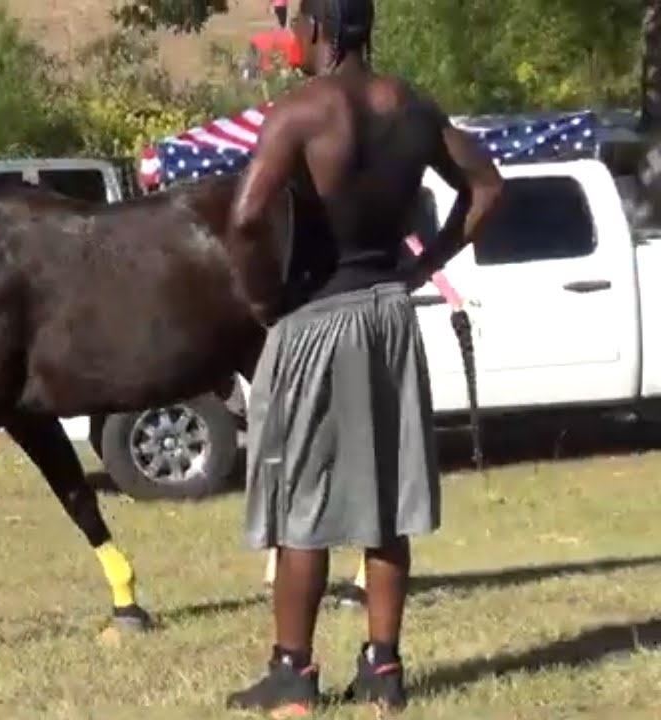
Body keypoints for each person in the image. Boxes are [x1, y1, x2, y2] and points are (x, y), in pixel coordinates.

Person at [223, 0, 502, 714]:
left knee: (301, 505)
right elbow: (488, 187)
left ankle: (292, 675)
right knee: (386, 497)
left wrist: (263, 304)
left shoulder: (301, 112)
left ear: (316, 28)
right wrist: (425, 264)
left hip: (317, 320)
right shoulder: (412, 107)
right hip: (389, 313)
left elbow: (248, 217)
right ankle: (385, 669)